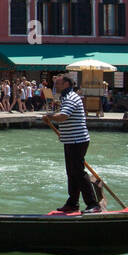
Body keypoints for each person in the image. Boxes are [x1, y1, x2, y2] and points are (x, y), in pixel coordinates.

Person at [43, 74, 100, 213]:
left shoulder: (70, 97)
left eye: (58, 83)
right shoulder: (67, 97)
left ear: (66, 85)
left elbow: (63, 116)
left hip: (77, 141)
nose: (55, 85)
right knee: (72, 173)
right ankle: (73, 203)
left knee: (78, 172)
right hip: (71, 140)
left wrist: (49, 116)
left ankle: (93, 204)